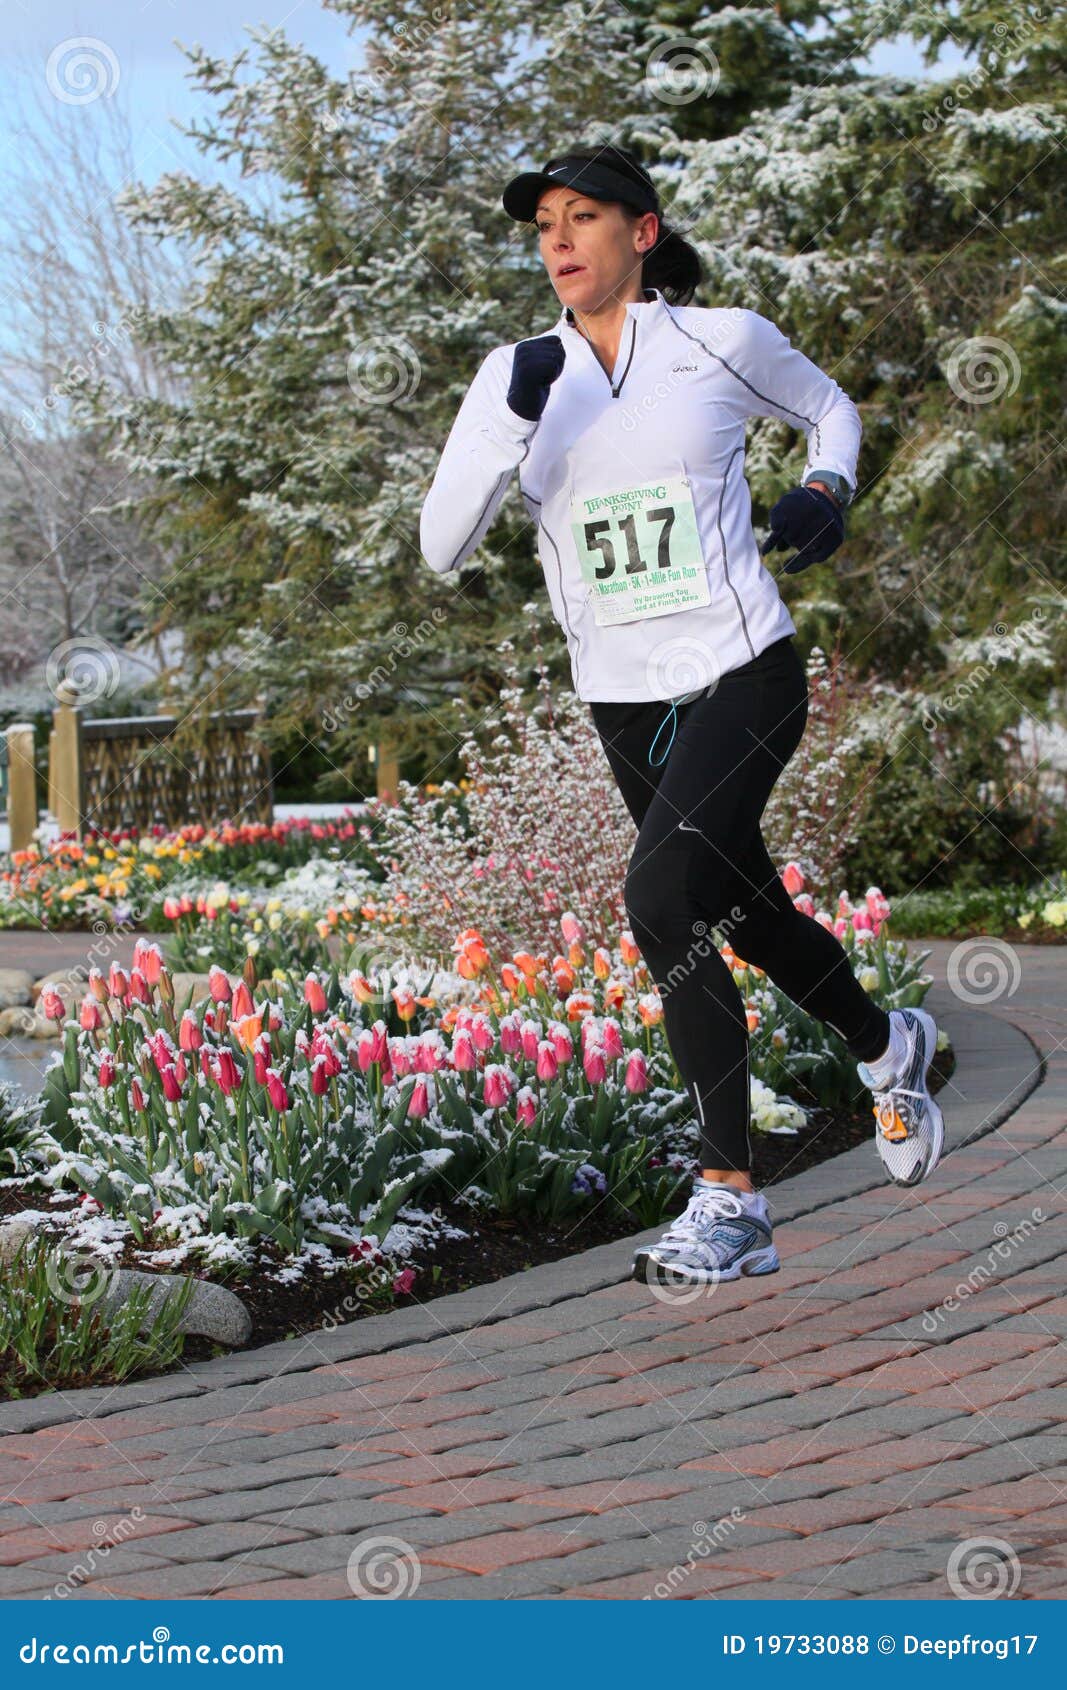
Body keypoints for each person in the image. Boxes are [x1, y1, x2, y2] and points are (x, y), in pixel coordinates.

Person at [419, 144, 944, 1287]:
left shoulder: (721, 340)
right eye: (543, 225)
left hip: (739, 672)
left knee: (659, 897)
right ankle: (883, 1040)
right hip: (622, 700)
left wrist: (827, 488)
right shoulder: (514, 375)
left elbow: (828, 409)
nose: (557, 241)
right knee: (737, 911)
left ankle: (729, 1195)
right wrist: (511, 426)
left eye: (582, 218)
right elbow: (440, 547)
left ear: (640, 233)